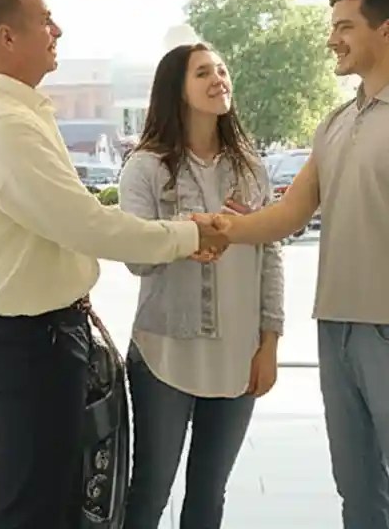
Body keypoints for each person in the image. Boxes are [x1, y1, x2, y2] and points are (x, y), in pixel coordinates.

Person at [0, 0, 229, 529]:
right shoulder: (4, 126)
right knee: (35, 507)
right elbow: (85, 225)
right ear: (7, 37)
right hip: (29, 340)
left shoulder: (20, 114)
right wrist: (190, 234)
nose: (57, 29)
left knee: (40, 493)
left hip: (39, 335)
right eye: (44, 19)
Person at [199, 0, 389, 528]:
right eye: (333, 28)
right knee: (356, 487)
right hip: (336, 326)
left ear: (387, 29)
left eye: (345, 27)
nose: (333, 40)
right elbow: (290, 213)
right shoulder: (337, 121)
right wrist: (225, 228)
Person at [117, 42, 284, 529]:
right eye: (203, 73)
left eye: (222, 70)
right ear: (177, 89)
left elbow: (270, 256)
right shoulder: (145, 167)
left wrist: (268, 344)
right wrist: (184, 237)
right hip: (164, 353)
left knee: (210, 493)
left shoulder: (250, 168)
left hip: (238, 354)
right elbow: (134, 260)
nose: (219, 80)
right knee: (150, 489)